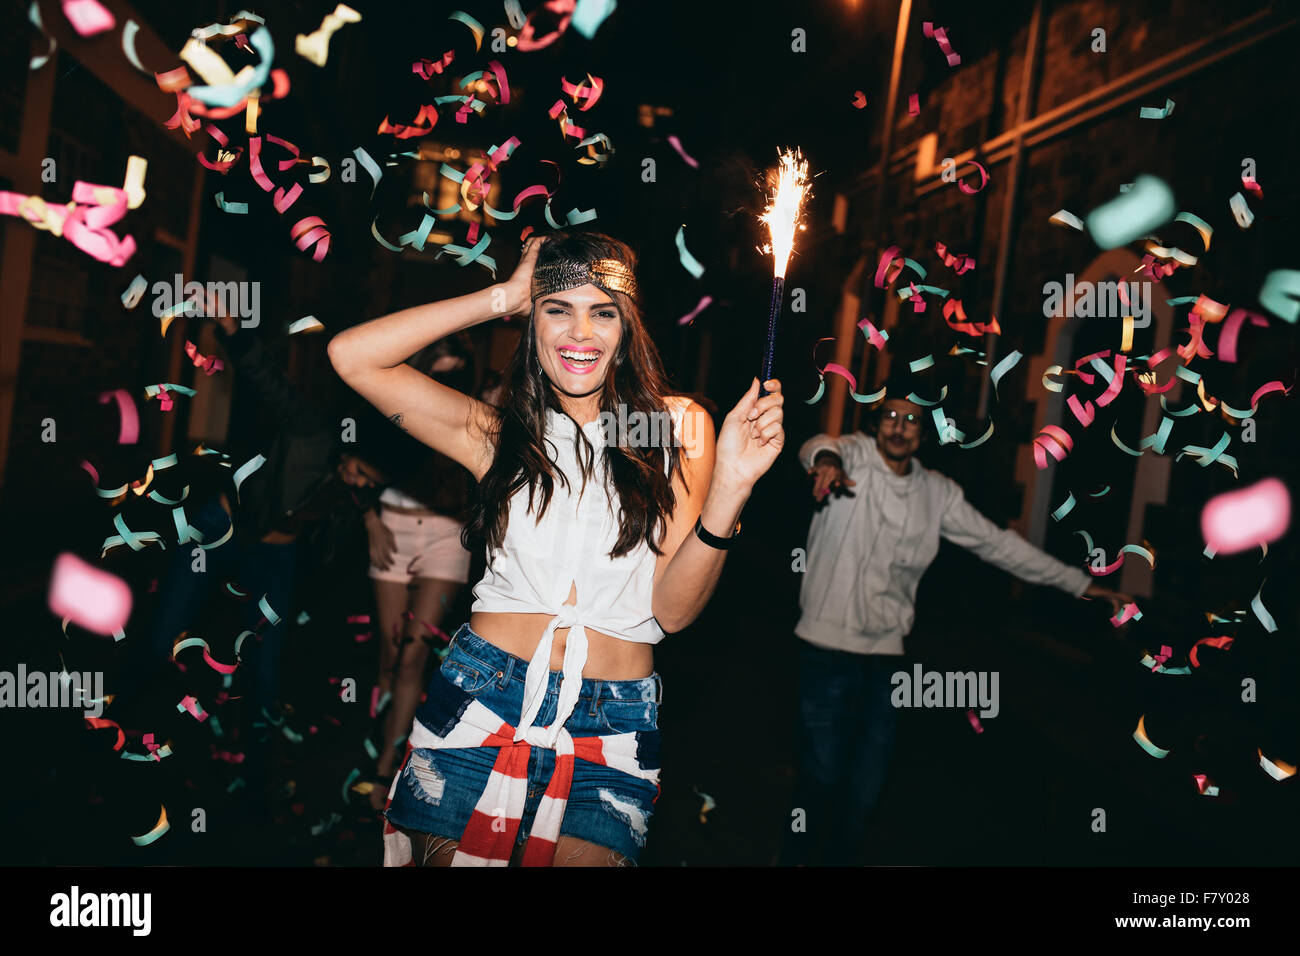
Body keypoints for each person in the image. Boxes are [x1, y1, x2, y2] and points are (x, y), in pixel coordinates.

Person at [328, 231, 785, 866]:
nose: (580, 333)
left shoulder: (678, 428)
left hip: (612, 724)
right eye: (557, 309)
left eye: (603, 312)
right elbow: (353, 357)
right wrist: (503, 296)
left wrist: (730, 489)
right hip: (481, 699)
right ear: (532, 322)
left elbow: (674, 613)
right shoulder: (497, 434)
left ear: (627, 327)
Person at [780, 376, 1132, 865]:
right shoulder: (852, 457)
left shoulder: (936, 493)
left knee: (864, 790)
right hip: (825, 651)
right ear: (875, 423)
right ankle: (792, 858)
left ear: (924, 433)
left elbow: (998, 544)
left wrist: (1080, 584)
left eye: (912, 420)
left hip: (885, 660)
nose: (899, 427)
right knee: (821, 776)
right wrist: (826, 462)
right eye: (890, 416)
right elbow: (818, 446)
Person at [358, 337, 478, 810]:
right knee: (390, 656)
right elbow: (353, 461)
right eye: (438, 374)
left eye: (455, 376)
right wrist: (370, 518)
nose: (445, 384)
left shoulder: (472, 412)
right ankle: (378, 739)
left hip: (447, 533)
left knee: (413, 655)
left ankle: (385, 770)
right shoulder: (393, 401)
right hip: (393, 526)